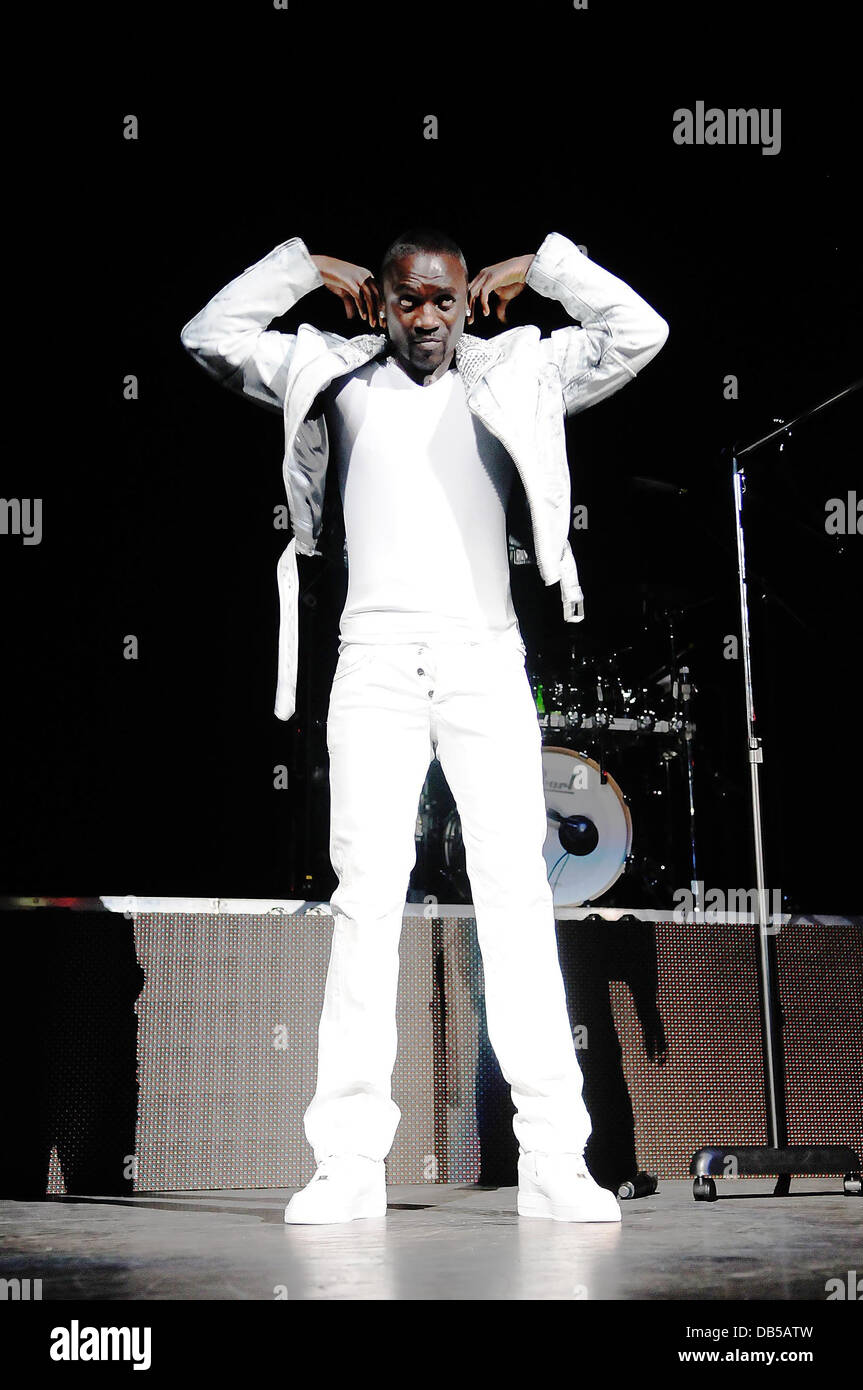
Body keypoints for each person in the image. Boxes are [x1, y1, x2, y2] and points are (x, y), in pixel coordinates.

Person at [180, 225, 668, 1224]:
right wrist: (302, 269)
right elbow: (207, 334)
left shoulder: (518, 367)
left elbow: (638, 331)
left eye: (445, 300)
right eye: (410, 300)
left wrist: (544, 270)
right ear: (383, 300)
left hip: (484, 660)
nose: (429, 320)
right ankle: (347, 1163)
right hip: (372, 665)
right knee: (366, 897)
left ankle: (552, 1161)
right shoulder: (332, 367)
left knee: (516, 900)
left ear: (464, 301)